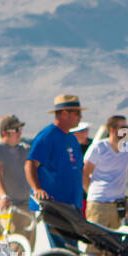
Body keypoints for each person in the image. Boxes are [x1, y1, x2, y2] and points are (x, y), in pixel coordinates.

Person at [27, 94, 86, 248]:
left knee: (72, 249)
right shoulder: (48, 136)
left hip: (72, 204)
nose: (80, 117)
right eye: (77, 113)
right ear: (64, 113)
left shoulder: (71, 138)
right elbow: (30, 164)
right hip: (56, 205)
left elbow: (77, 169)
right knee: (63, 250)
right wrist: (37, 188)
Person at [0, 115, 35, 250]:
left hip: (25, 204)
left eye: (20, 130)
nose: (20, 133)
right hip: (8, 205)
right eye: (16, 130)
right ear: (4, 133)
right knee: (7, 244)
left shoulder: (23, 148)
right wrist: (3, 195)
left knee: (27, 244)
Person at [83, 115, 128, 230]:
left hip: (118, 205)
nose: (126, 130)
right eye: (123, 127)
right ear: (112, 130)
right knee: (96, 242)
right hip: (99, 204)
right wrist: (91, 193)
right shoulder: (98, 147)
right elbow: (85, 172)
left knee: (116, 244)